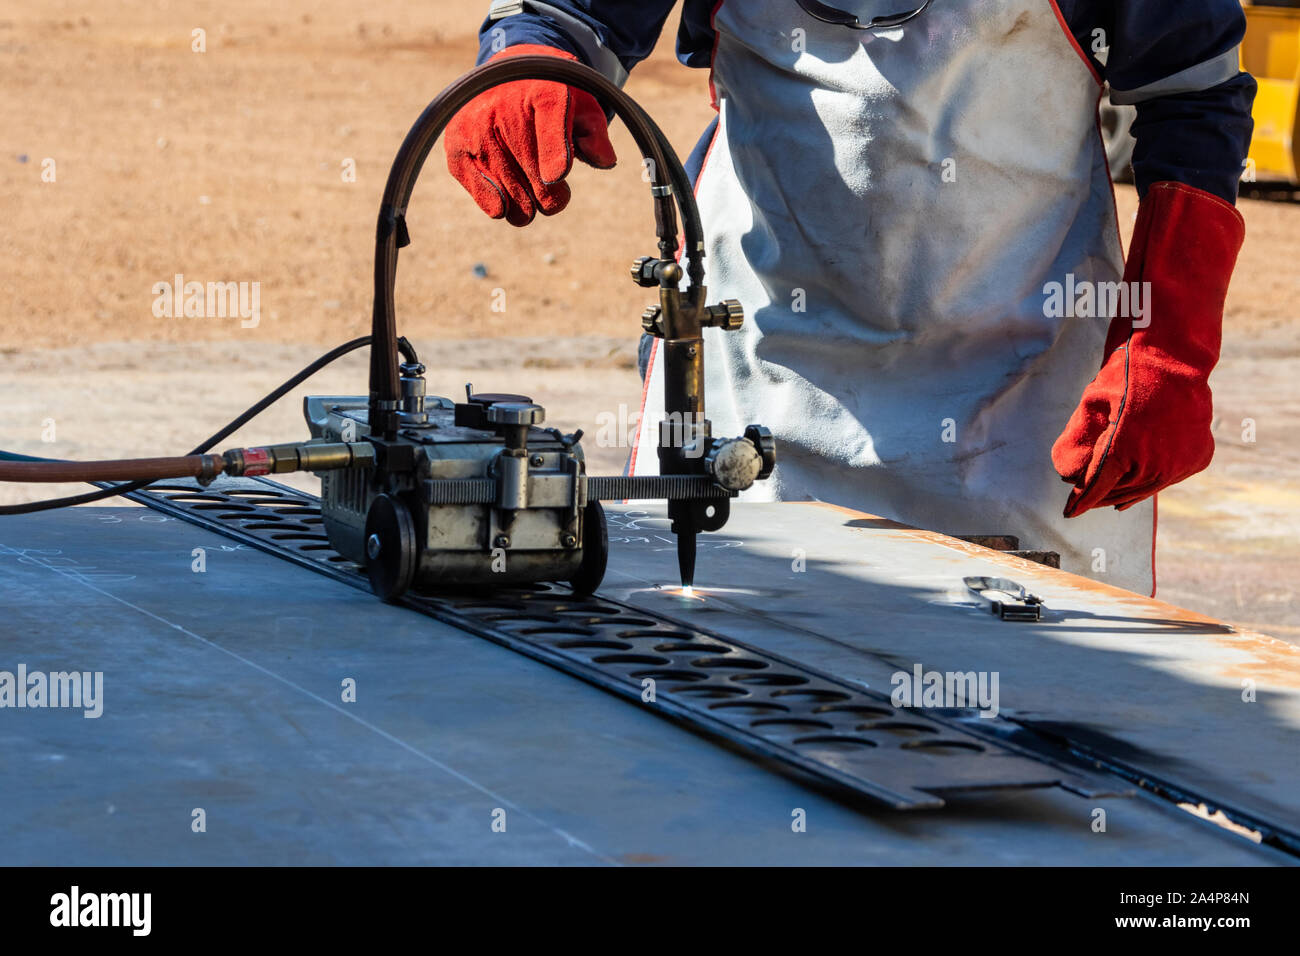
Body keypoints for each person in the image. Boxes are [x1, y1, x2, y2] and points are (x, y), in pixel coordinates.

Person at [443, 1, 1255, 595]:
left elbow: (1192, 98)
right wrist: (529, 59)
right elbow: (569, 17)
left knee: (1043, 730)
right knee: (717, 678)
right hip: (757, 359)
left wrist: (1169, 349)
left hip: (1025, 398)